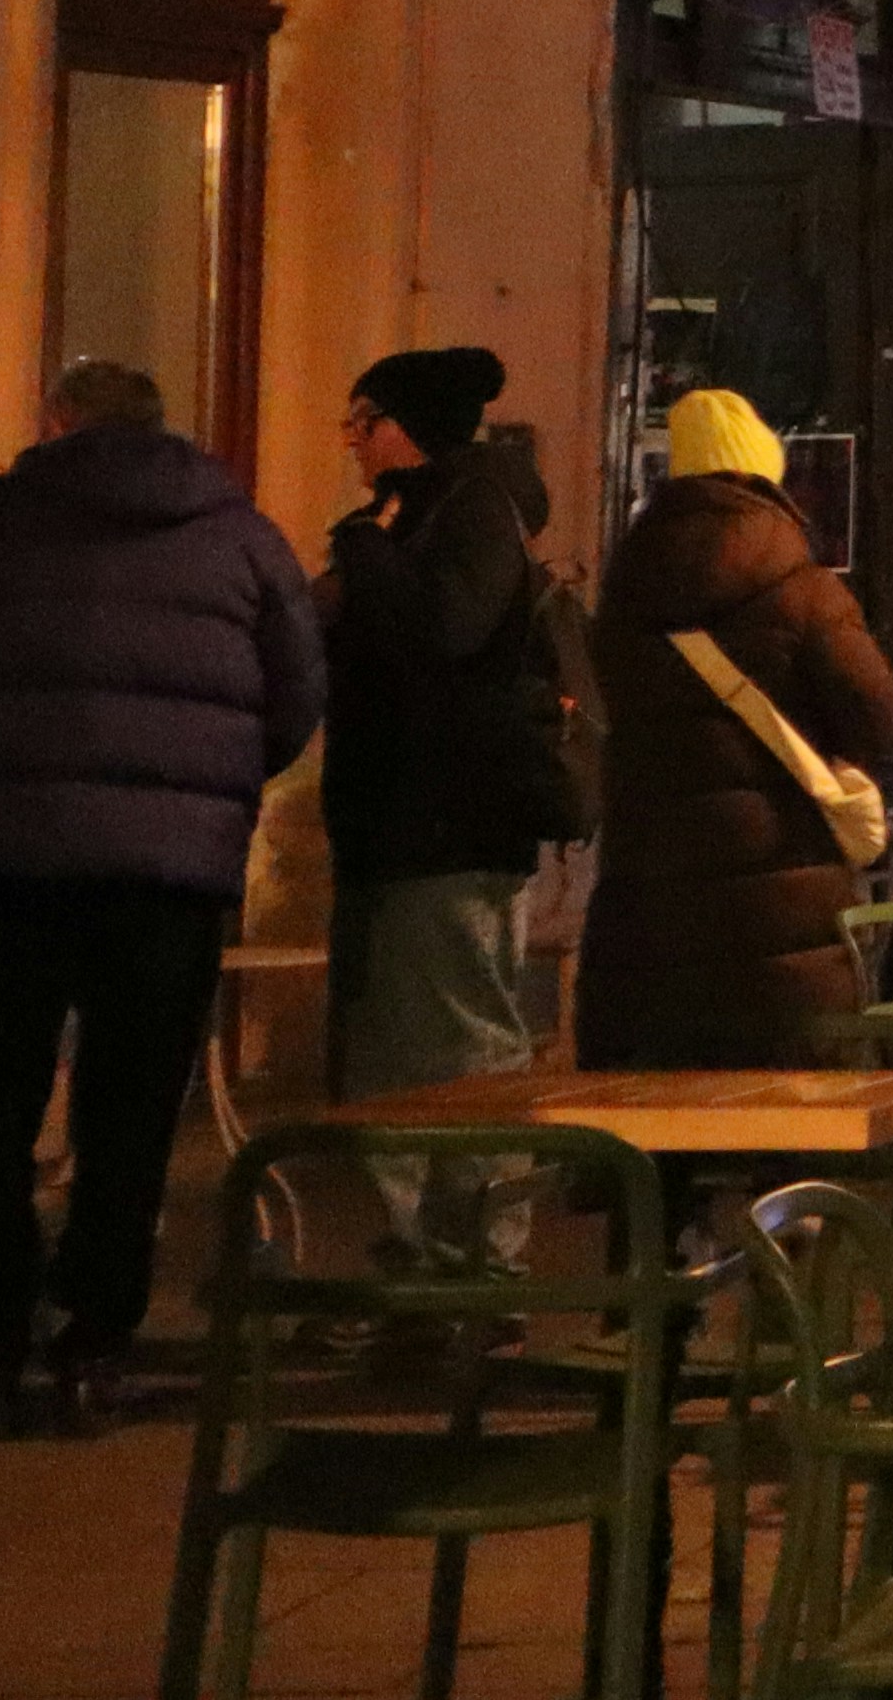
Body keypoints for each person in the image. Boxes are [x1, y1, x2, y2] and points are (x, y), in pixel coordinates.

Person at [0, 359, 324, 1435]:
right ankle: (94, 1350)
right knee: (130, 1121)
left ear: (53, 423)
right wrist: (204, 793)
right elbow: (296, 695)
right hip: (166, 881)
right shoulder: (241, 535)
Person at [323, 347, 576, 1324]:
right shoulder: (429, 509)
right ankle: (420, 1264)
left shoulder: (462, 510)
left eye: (363, 416)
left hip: (450, 820)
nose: (349, 436)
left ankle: (482, 1266)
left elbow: (446, 632)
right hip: (399, 822)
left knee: (465, 1044)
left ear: (407, 427)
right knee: (396, 1054)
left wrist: (369, 550)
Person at [582, 390, 893, 1073]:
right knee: (794, 1120)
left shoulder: (626, 589)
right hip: (782, 908)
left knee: (666, 1123)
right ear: (764, 480)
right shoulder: (803, 588)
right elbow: (874, 712)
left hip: (651, 903)